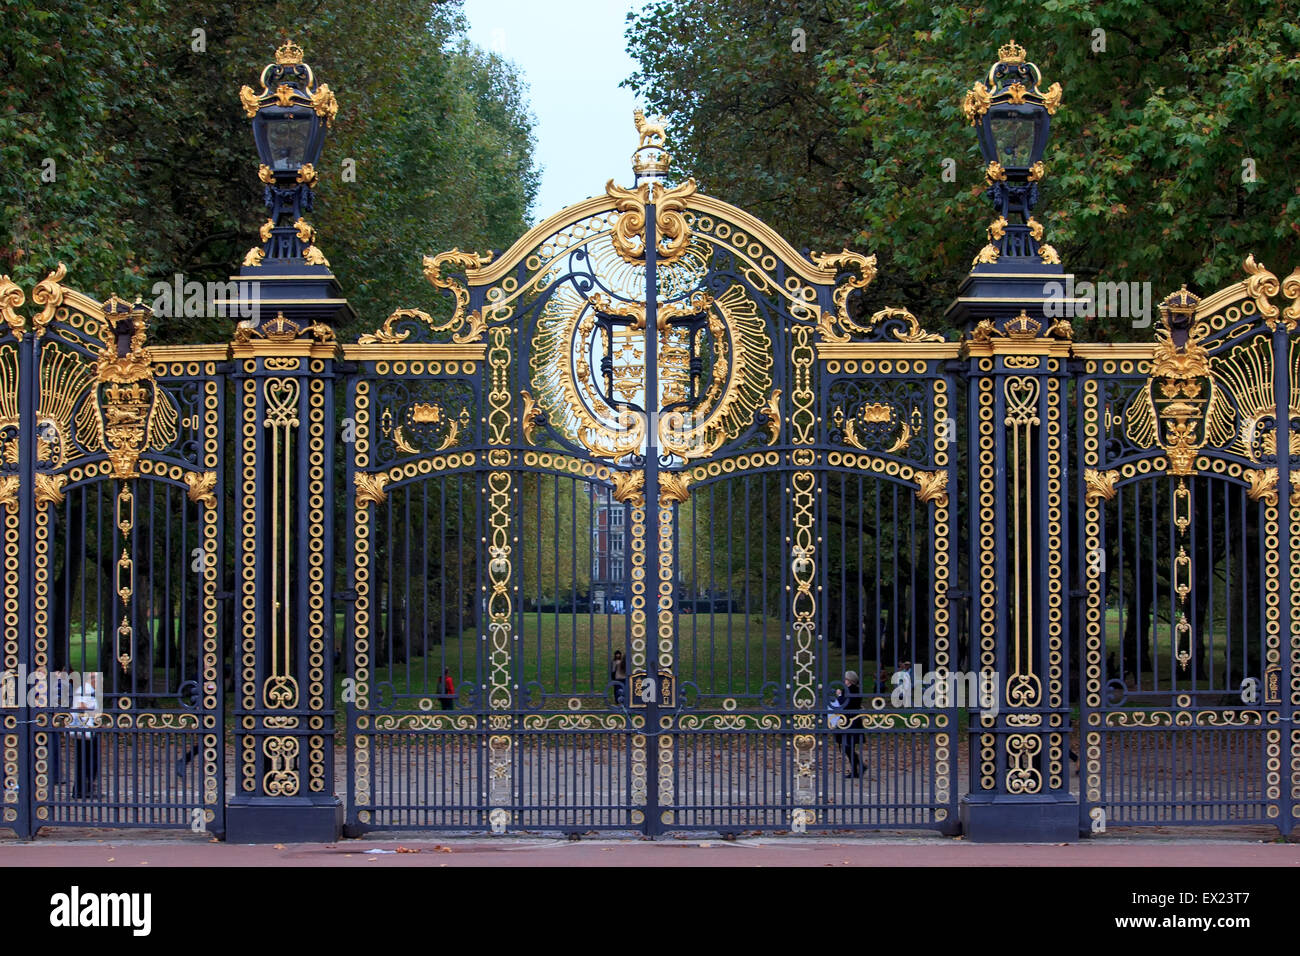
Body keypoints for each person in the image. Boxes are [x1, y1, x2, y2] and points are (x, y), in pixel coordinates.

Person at [70, 672, 100, 798]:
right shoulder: (85, 691)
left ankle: (85, 788)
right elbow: (80, 707)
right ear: (92, 680)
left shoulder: (90, 691)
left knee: (88, 761)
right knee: (87, 761)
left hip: (89, 729)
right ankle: (81, 789)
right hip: (84, 730)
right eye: (99, 680)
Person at [831, 670, 864, 778]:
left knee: (848, 746)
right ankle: (856, 769)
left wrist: (839, 695)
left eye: (845, 679)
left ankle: (859, 767)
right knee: (848, 746)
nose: (844, 680)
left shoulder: (852, 691)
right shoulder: (850, 690)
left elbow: (844, 703)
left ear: (849, 680)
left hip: (850, 721)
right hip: (848, 720)